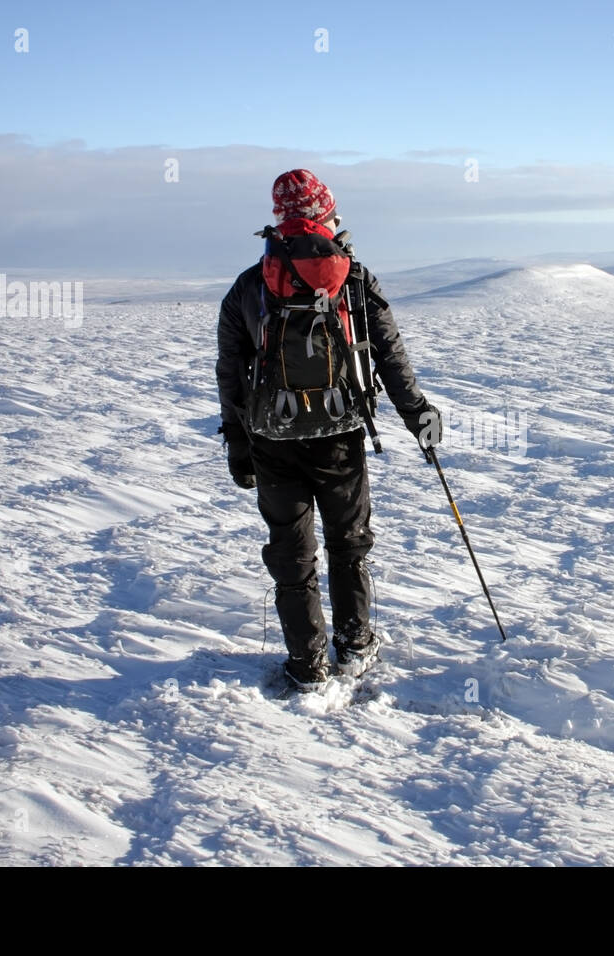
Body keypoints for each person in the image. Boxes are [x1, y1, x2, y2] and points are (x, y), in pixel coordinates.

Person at [215, 169, 442, 692]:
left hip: (273, 438)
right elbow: (388, 355)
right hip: (340, 434)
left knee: (292, 553)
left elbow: (232, 371)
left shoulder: (250, 286)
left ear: (278, 218)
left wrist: (238, 441)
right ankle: (355, 645)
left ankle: (306, 665)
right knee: (347, 542)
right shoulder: (353, 278)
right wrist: (418, 416)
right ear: (327, 211)